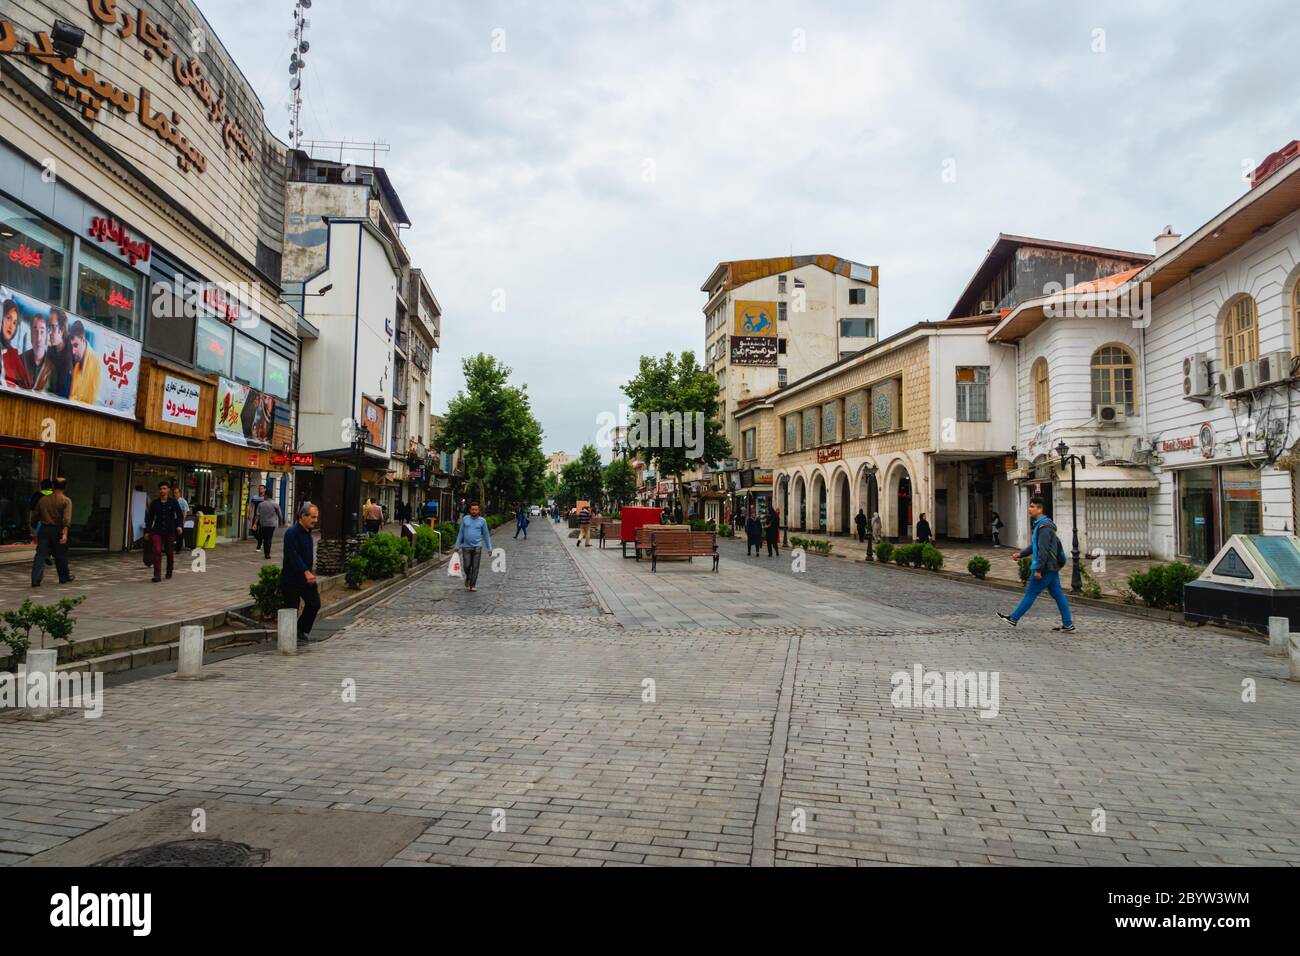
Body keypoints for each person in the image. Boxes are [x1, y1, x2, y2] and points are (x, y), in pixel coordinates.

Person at [998, 495, 1075, 633]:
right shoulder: (1041, 525)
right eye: (1030, 506)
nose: (1029, 509)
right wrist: (1021, 554)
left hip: (1044, 567)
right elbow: (1034, 546)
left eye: (1032, 506)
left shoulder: (1044, 527)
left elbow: (1043, 550)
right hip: (1051, 567)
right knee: (1058, 594)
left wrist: (1038, 569)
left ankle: (1013, 618)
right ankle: (1068, 624)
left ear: (1040, 509)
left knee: (1031, 593)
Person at [282, 502, 320, 644]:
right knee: (292, 608)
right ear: (303, 516)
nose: (315, 521)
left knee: (314, 603)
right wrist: (305, 571)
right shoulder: (292, 533)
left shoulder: (308, 533)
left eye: (316, 518)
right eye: (313, 517)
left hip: (306, 578)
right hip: (292, 578)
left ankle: (300, 629)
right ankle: (289, 636)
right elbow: (293, 555)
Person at [30, 476, 73, 586]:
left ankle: (35, 580)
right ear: (65, 487)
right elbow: (66, 519)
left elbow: (35, 516)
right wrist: (65, 534)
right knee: (61, 555)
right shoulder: (66, 501)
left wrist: (34, 527)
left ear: (53, 486)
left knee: (40, 555)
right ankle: (64, 577)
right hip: (58, 530)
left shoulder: (43, 500)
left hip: (44, 530)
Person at [143, 480, 185, 582]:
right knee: (157, 550)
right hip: (157, 531)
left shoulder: (173, 502)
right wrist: (147, 532)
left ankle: (169, 570)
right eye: (161, 489)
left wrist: (179, 526)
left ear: (168, 490)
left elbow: (180, 515)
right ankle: (157, 574)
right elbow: (150, 518)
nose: (162, 490)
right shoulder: (154, 503)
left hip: (170, 530)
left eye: (164, 488)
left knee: (169, 552)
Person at [453, 501, 492, 592]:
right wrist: (457, 545)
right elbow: (461, 533)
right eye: (472, 509)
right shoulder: (465, 519)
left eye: (476, 509)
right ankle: (468, 577)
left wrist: (489, 548)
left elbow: (486, 535)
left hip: (477, 547)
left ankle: (472, 584)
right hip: (466, 547)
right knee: (466, 566)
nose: (474, 511)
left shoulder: (483, 521)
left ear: (479, 510)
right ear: (470, 510)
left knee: (475, 567)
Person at [67, 320, 102, 405]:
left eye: (76, 345)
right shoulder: (77, 364)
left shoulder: (95, 361)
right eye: (72, 346)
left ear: (83, 339)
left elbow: (92, 402)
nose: (73, 351)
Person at [20, 311, 55, 392]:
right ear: (31, 334)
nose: (38, 338)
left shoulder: (52, 369)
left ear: (47, 335)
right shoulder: (20, 360)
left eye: (42, 332)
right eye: (35, 331)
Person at [1, 299, 31, 389]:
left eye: (14, 323)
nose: (11, 326)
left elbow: (27, 386)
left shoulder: (12, 354)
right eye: (9, 318)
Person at [255, 491, 283, 559]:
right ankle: (267, 554)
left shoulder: (260, 504)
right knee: (268, 538)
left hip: (262, 524)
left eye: (264, 495)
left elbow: (257, 515)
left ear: (266, 496)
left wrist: (255, 523)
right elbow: (280, 515)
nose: (263, 497)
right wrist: (280, 523)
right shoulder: (275, 504)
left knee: (262, 537)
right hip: (271, 524)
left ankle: (263, 549)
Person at [172, 481, 194, 551]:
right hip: (172, 519)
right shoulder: (172, 501)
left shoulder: (183, 501)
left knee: (179, 534)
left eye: (176, 493)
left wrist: (182, 520)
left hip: (179, 519)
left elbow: (185, 512)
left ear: (180, 493)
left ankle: (178, 548)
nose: (175, 494)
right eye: (174, 493)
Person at [249, 484, 267, 552]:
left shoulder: (266, 498)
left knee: (262, 531)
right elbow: (251, 506)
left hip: (263, 517)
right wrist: (249, 514)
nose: (260, 490)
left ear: (265, 489)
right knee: (253, 530)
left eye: (262, 488)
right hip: (256, 516)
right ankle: (260, 540)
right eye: (259, 489)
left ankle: (259, 545)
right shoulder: (255, 497)